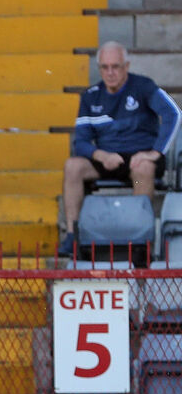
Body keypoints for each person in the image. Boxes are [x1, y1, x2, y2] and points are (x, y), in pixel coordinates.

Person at [59, 40, 181, 255]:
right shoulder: (90, 96)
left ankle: (138, 239)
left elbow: (173, 113)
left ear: (126, 66)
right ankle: (73, 236)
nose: (110, 72)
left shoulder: (143, 87)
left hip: (138, 162)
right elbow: (81, 142)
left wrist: (155, 152)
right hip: (106, 159)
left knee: (143, 168)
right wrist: (100, 155)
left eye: (115, 66)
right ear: (100, 69)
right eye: (105, 67)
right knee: (73, 166)